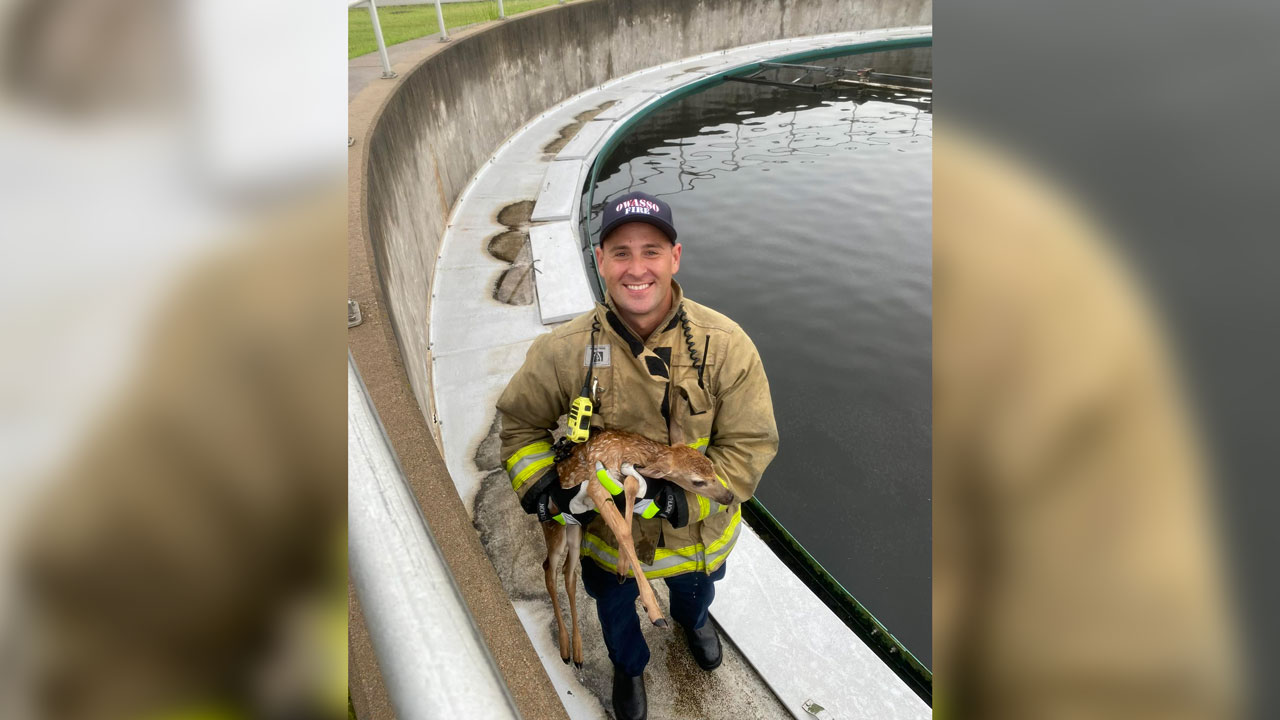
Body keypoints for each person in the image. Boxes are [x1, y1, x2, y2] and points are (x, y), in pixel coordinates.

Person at [496, 191, 779, 720]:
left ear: (675, 258)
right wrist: (548, 491)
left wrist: (678, 501)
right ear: (600, 261)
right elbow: (518, 428)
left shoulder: (727, 346)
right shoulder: (563, 351)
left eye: (652, 251)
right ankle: (628, 668)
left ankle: (695, 622)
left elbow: (750, 445)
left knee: (697, 592)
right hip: (608, 545)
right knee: (613, 609)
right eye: (621, 252)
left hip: (700, 539)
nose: (637, 268)